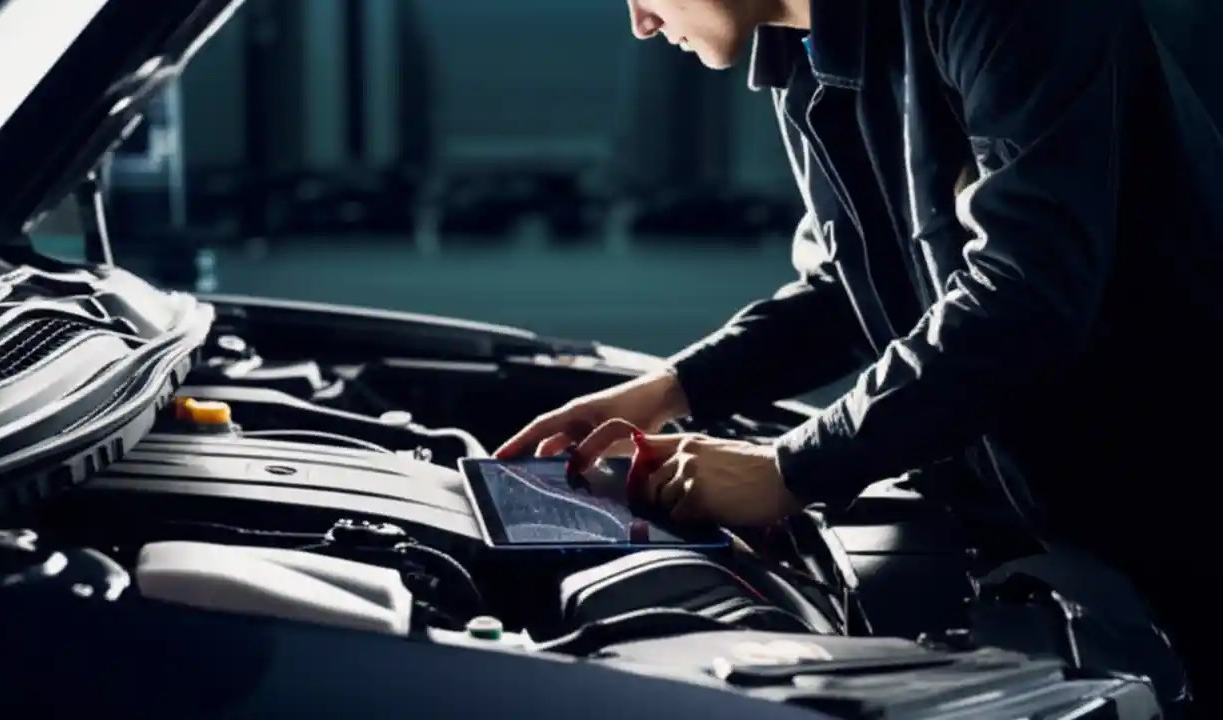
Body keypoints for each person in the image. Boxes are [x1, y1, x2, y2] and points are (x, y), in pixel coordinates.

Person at [496, 0, 1223, 714]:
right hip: (1036, 506)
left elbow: (1026, 297)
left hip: (1180, 496)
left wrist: (791, 469)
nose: (641, 23)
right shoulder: (801, 53)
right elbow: (857, 289)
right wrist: (667, 389)